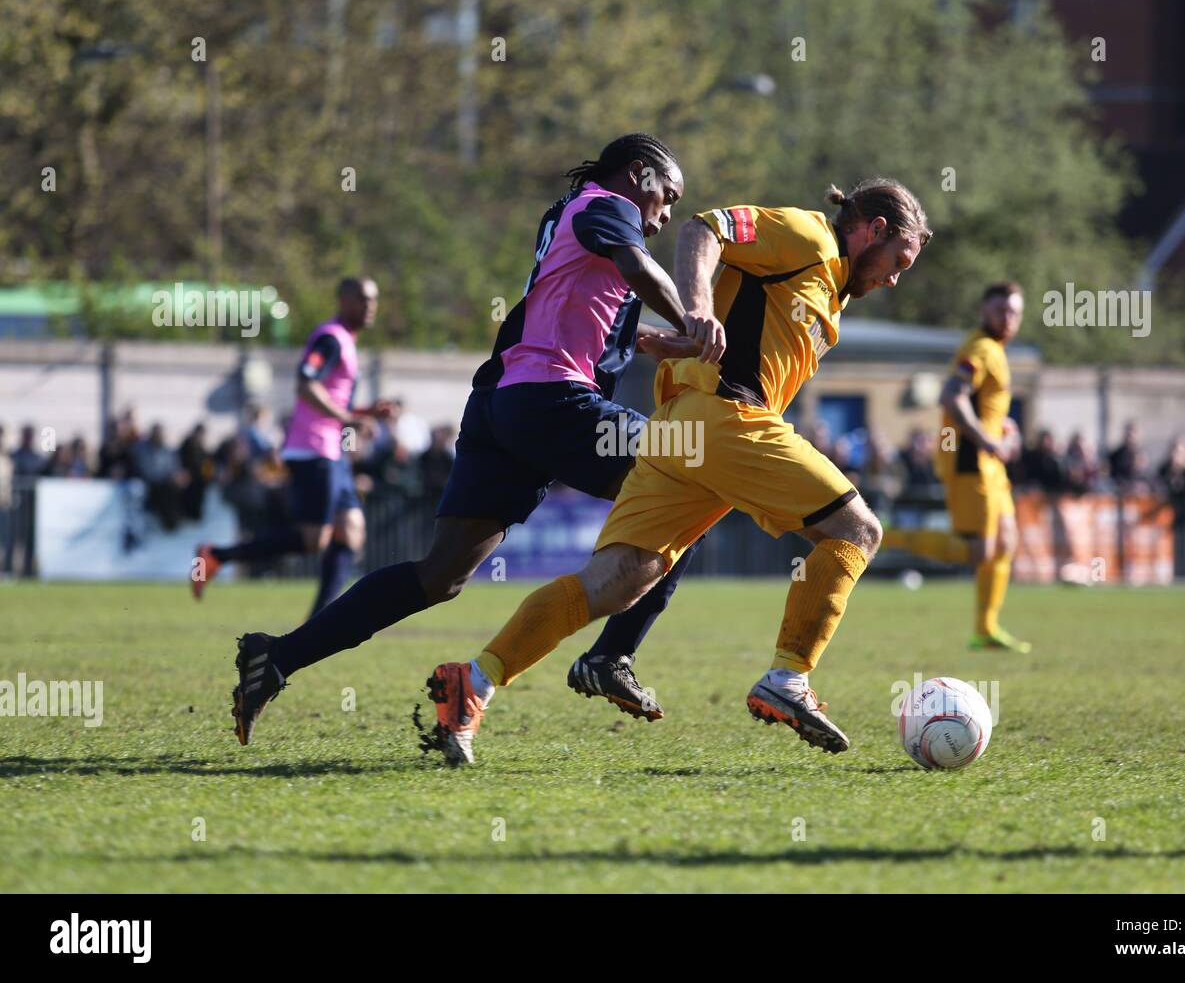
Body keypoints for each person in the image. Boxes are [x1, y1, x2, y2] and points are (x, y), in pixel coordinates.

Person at [227, 133, 725, 747]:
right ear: (638, 173)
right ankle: (610, 655)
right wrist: (693, 317)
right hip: (552, 401)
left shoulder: (573, 212)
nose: (667, 213)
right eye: (667, 195)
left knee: (441, 575)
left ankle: (277, 657)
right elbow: (634, 269)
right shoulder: (611, 205)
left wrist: (657, 339)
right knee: (698, 476)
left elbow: (582, 305)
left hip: (503, 406)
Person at [420, 178, 930, 766]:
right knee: (857, 531)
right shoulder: (807, 235)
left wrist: (686, 342)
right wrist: (698, 310)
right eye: (899, 262)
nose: (894, 278)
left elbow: (748, 333)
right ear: (874, 230)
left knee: (616, 580)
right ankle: (788, 678)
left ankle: (474, 683)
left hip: (684, 433)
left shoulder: (831, 284)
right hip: (727, 421)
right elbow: (702, 228)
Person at [192, 277, 395, 616]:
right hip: (313, 450)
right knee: (314, 541)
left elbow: (330, 396)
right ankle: (217, 555)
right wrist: (347, 416)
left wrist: (365, 412)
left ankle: (319, 623)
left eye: (373, 300)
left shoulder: (345, 340)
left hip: (333, 452)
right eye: (362, 299)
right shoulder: (331, 338)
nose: (369, 306)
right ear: (344, 300)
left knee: (352, 532)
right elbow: (306, 384)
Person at [881, 282, 1032, 653]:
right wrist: (985, 438)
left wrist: (1002, 428)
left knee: (1007, 542)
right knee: (977, 552)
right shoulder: (980, 348)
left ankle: (985, 629)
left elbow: (983, 404)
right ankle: (886, 536)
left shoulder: (994, 350)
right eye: (1000, 310)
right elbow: (952, 395)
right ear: (984, 310)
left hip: (990, 464)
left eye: (1013, 311)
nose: (1007, 318)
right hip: (969, 461)